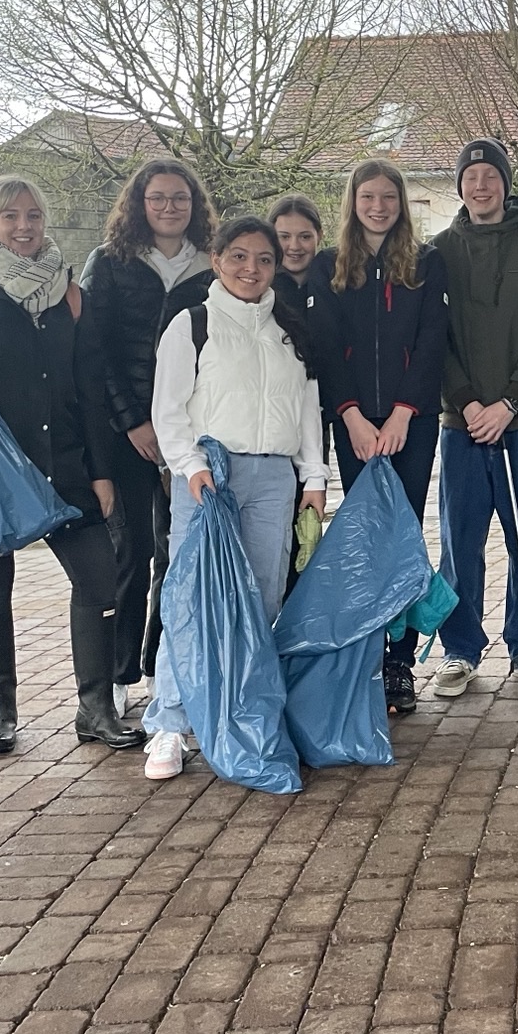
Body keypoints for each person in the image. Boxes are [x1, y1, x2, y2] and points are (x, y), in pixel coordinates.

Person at [0, 175, 145, 756]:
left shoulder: (70, 293)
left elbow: (89, 387)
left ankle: (96, 707)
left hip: (66, 462)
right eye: (10, 216)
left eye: (33, 215)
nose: (23, 227)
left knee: (99, 580)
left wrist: (103, 472)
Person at [143, 216, 329, 780]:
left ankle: (242, 715)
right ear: (217, 260)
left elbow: (306, 408)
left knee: (263, 602)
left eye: (264, 259)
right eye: (240, 257)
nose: (252, 269)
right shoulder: (191, 324)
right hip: (211, 480)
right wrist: (192, 470)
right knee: (193, 601)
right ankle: (170, 724)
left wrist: (314, 479)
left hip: (275, 480)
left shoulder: (288, 327)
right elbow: (168, 409)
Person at [431, 139, 518, 698]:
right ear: (460, 185)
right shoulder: (438, 250)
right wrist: (466, 402)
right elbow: (432, 339)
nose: (481, 185)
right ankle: (460, 650)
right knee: (459, 544)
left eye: (491, 175)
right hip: (460, 424)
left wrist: (510, 400)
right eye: (471, 176)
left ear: (506, 184)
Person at [312, 159, 450, 715]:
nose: (378, 205)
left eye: (388, 196)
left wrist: (401, 415)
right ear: (353, 201)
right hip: (354, 427)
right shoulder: (329, 265)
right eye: (367, 196)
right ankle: (365, 650)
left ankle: (399, 660)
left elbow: (432, 342)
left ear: (400, 203)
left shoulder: (426, 263)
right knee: (365, 541)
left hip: (408, 426)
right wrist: (349, 416)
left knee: (404, 536)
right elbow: (324, 348)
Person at [81, 160, 217, 719]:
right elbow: (95, 351)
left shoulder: (212, 264)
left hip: (191, 433)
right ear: (139, 203)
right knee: (131, 553)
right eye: (157, 198)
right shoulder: (110, 264)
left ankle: (164, 664)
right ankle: (118, 674)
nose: (168, 208)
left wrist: (182, 432)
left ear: (194, 204)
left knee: (176, 554)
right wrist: (133, 421)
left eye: (180, 198)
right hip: (130, 435)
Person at [268, 194, 325, 328]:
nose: (294, 246)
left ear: (319, 236)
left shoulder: (335, 284)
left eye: (305, 237)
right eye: (285, 237)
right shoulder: (259, 287)